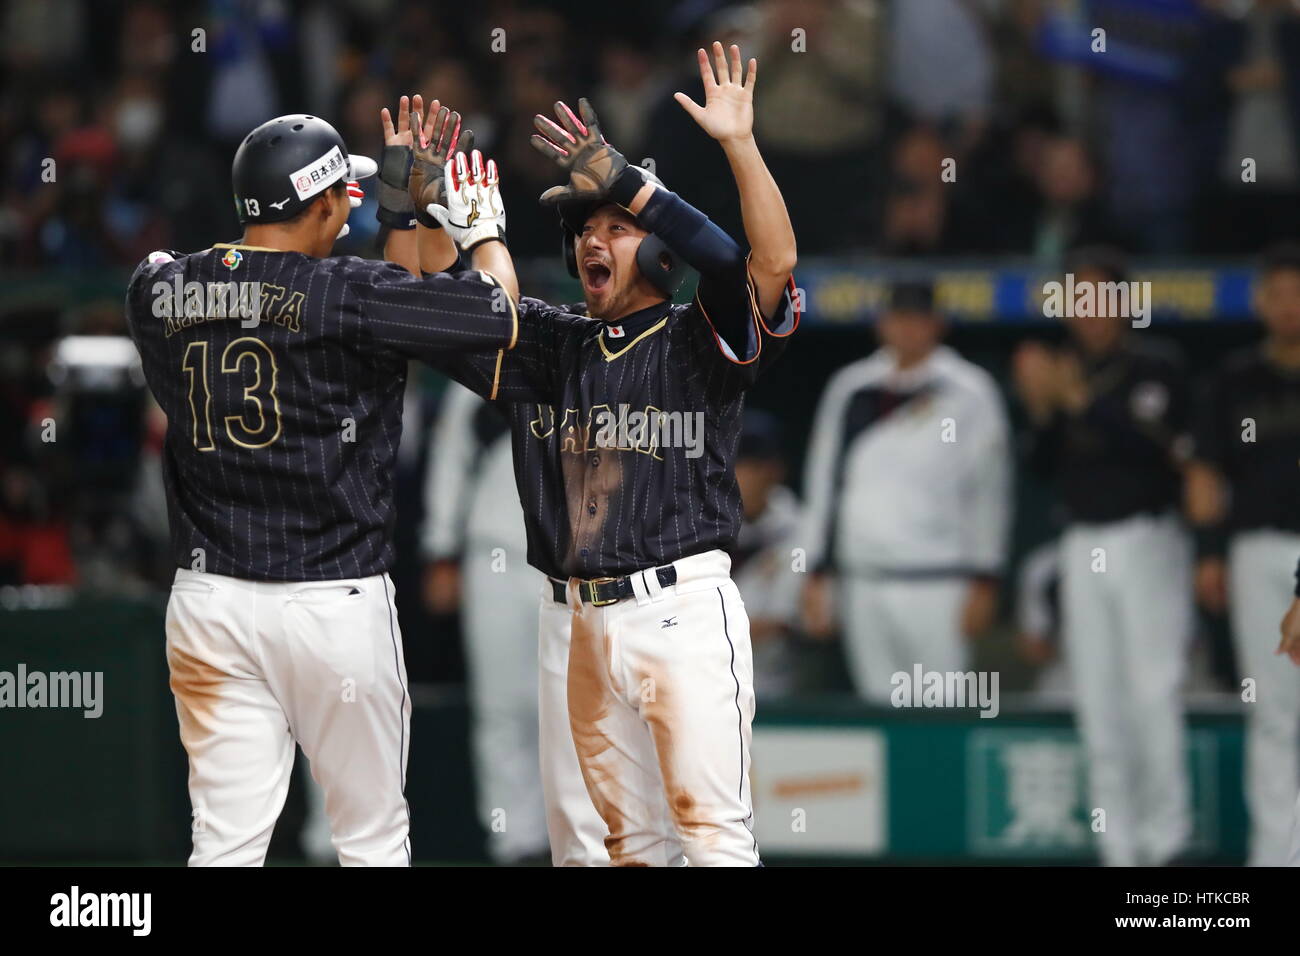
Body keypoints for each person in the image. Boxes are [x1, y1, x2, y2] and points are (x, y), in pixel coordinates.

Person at [418, 42, 798, 865]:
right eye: (585, 230)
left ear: (659, 246)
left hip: (680, 612)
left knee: (714, 841)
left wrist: (722, 150)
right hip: (573, 622)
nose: (595, 241)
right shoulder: (552, 343)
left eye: (616, 229)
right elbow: (444, 318)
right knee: (615, 852)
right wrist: (419, 217)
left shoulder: (699, 334)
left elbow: (766, 263)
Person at [125, 105, 518, 866]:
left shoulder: (157, 289)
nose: (353, 204)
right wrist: (480, 231)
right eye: (347, 192)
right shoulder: (348, 293)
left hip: (209, 602)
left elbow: (370, 301)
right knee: (369, 839)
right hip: (330, 602)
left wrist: (401, 199)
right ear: (324, 201)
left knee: (225, 843)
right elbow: (493, 315)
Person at [1012, 246, 1193, 866]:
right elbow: (1039, 469)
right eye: (1078, 297)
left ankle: (1165, 846)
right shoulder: (1060, 369)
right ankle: (1118, 850)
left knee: (1154, 694)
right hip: (1081, 540)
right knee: (1097, 698)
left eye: (1101, 296)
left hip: (1147, 538)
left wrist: (1079, 403)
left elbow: (1162, 458)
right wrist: (1041, 410)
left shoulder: (1155, 367)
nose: (1089, 310)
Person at [801, 278, 1011, 703]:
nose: (908, 329)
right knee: (880, 713)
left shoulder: (970, 390)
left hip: (941, 582)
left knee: (942, 710)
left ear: (938, 324)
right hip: (863, 579)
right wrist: (815, 572)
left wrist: (987, 578)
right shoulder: (852, 387)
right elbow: (823, 483)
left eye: (918, 318)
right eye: (899, 318)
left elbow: (991, 490)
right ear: (882, 324)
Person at [1188, 243, 1300, 865]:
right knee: (1273, 710)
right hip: (1258, 552)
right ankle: (1274, 858)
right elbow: (1206, 475)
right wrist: (1209, 554)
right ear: (1259, 301)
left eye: (1298, 292)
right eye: (1277, 293)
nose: (1289, 307)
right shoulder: (1233, 381)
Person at [730, 410, 804, 700]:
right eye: (736, 462)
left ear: (775, 470)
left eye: (753, 464)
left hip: (776, 688)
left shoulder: (800, 528)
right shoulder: (690, 524)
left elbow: (784, 622)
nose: (743, 474)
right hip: (699, 682)